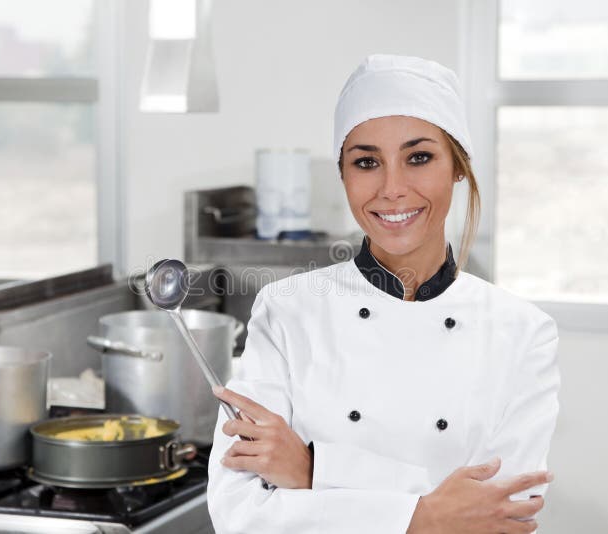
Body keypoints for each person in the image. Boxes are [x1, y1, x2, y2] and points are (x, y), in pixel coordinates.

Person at [206, 54, 560, 534]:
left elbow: (502, 515)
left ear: (457, 167)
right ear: (344, 174)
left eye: (419, 158)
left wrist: (314, 471)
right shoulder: (286, 310)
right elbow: (240, 513)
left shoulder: (523, 332)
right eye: (367, 162)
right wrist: (430, 515)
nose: (392, 189)